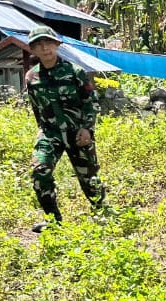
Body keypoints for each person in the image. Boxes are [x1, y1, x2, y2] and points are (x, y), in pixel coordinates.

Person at [23, 24, 107, 232]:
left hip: (77, 133)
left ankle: (102, 213)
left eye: (48, 43)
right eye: (39, 45)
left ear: (57, 45)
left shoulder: (74, 72)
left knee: (90, 178)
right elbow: (36, 109)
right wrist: (42, 132)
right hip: (50, 133)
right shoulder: (31, 77)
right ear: (32, 50)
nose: (45, 48)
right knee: (40, 171)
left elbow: (91, 102)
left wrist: (87, 128)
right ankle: (53, 220)